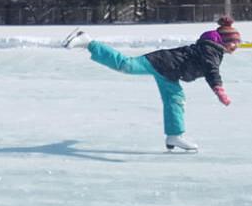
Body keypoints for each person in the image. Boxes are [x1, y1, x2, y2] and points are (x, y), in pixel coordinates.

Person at [64, 16, 239, 152]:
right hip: (163, 63)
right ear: (223, 40)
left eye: (237, 42)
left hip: (170, 72)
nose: (236, 46)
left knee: (175, 99)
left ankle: (174, 136)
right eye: (233, 42)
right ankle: (88, 41)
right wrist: (219, 90)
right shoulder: (211, 51)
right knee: (127, 65)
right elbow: (211, 71)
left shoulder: (211, 49)